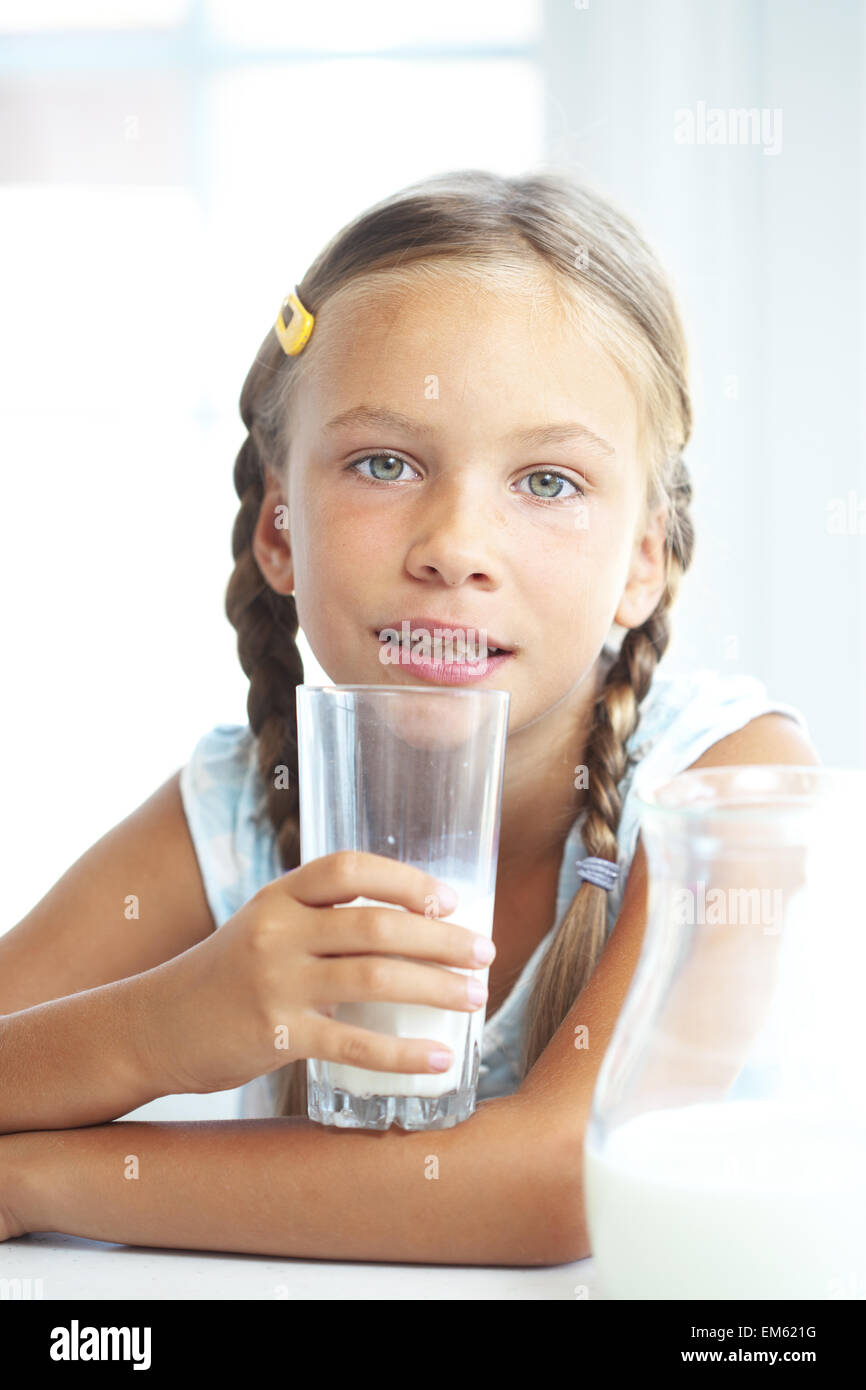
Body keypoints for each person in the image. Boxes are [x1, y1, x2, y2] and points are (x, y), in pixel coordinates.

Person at [0, 170, 820, 1266]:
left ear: (643, 560)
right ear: (280, 531)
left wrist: (33, 1175)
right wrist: (175, 1021)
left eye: (545, 480)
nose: (452, 544)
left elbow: (557, 1180)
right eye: (383, 463)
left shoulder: (727, 786)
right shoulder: (248, 801)